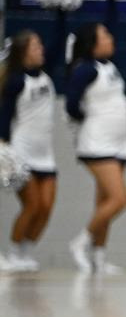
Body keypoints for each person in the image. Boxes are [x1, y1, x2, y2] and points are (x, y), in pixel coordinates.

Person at [64, 21, 126, 274]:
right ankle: (80, 243)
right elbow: (71, 105)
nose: (111, 38)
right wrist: (91, 119)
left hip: (118, 143)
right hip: (97, 142)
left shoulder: (109, 66)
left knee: (104, 201)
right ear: (92, 43)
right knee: (119, 199)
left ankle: (99, 258)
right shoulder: (85, 70)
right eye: (105, 35)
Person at [0, 29, 58, 273]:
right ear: (23, 53)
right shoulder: (15, 81)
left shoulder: (46, 76)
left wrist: (60, 15)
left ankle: (26, 251)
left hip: (45, 153)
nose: (41, 49)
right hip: (23, 151)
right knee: (32, 205)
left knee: (46, 207)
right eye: (35, 46)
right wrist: (3, 145)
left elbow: (57, 44)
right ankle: (12, 252)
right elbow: (4, 115)